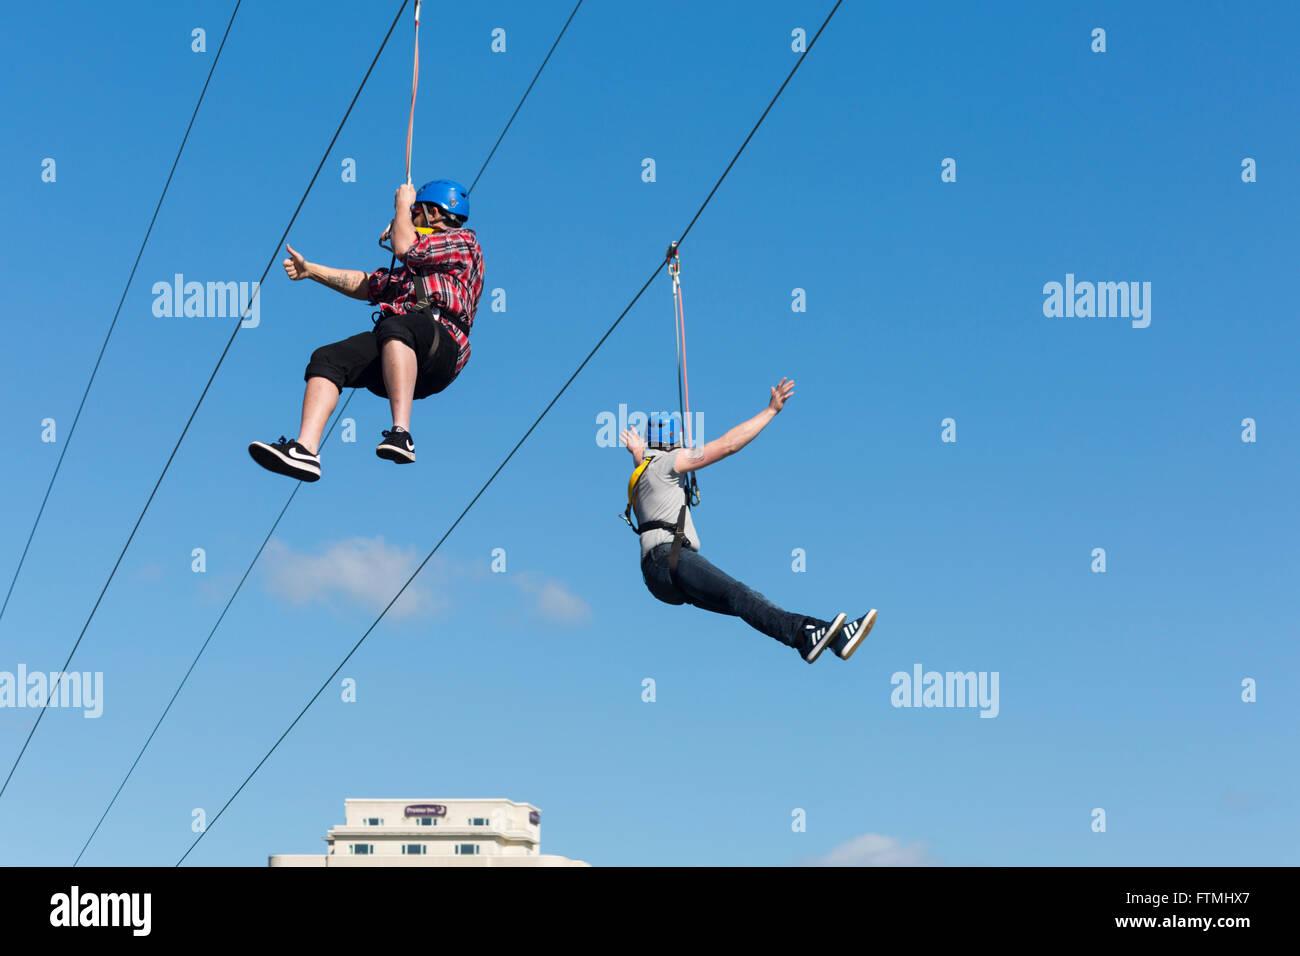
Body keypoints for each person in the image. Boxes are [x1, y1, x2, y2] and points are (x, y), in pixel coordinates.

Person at [620, 378, 877, 664]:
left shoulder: (642, 473)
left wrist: (636, 450)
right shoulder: (670, 462)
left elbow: (644, 459)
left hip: (657, 577)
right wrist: (771, 411)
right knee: (739, 594)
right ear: (673, 441)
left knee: (743, 602)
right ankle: (810, 636)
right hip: (671, 559)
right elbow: (728, 445)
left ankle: (824, 636)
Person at [249, 179, 484, 481]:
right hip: (403, 348)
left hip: (442, 347)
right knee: (328, 359)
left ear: (433, 215)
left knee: (396, 326)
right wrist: (312, 271)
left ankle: (402, 434)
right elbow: (367, 284)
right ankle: (305, 450)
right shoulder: (408, 275)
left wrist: (401, 206)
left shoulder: (464, 243)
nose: (410, 218)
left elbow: (406, 247)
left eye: (416, 213)